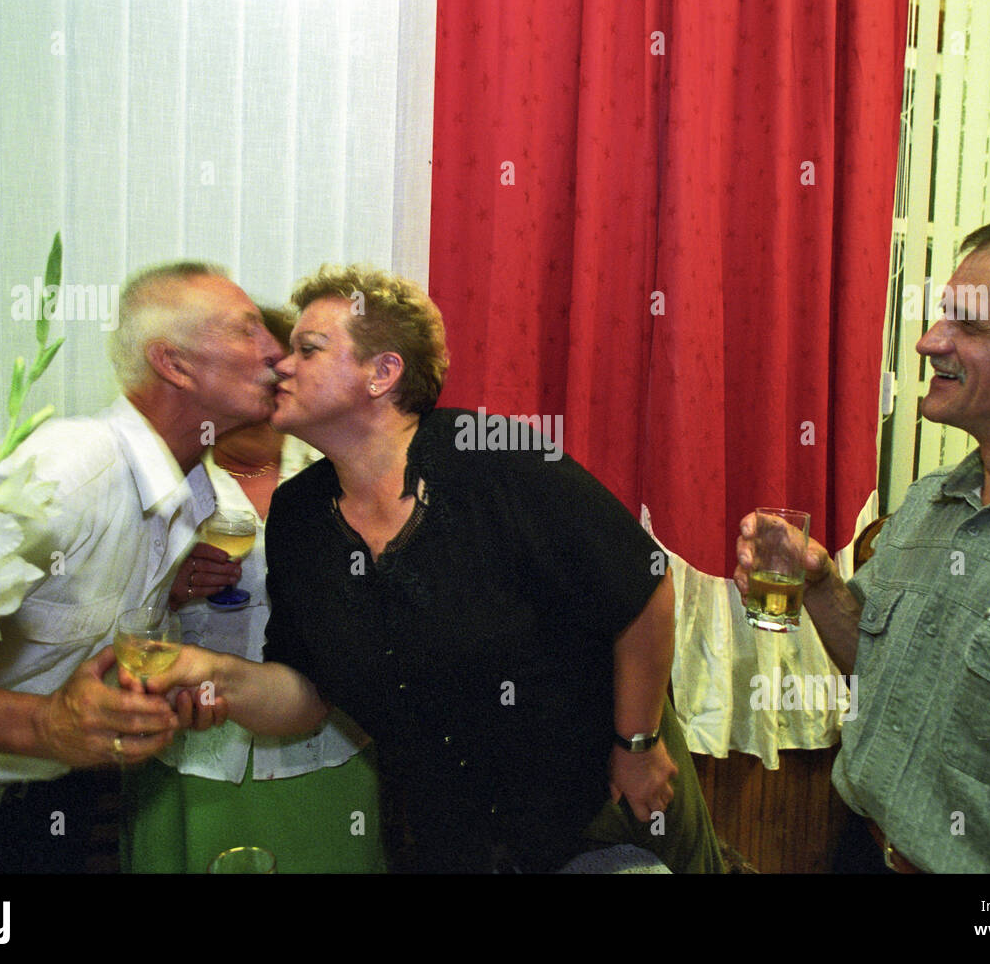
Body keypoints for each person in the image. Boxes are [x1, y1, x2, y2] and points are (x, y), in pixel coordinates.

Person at [145, 264, 726, 873]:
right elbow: (308, 693)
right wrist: (211, 673)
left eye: (308, 350)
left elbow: (644, 583)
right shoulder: (299, 515)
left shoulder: (494, 458)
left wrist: (637, 742)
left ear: (383, 373)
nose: (281, 366)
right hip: (450, 840)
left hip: (599, 810)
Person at [735, 209, 990, 873]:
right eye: (940, 316)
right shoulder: (933, 498)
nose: (930, 341)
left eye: (969, 323)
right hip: (857, 852)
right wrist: (818, 589)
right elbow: (880, 671)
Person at [0, 261, 283, 872]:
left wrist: (153, 683)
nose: (279, 353)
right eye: (249, 332)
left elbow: (63, 641)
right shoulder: (67, 474)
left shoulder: (188, 498)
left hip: (49, 815)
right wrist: (40, 726)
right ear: (175, 363)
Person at [122, 308, 386, 873]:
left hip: (325, 750)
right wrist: (166, 587)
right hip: (189, 753)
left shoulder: (340, 473)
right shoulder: (157, 480)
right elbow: (95, 619)